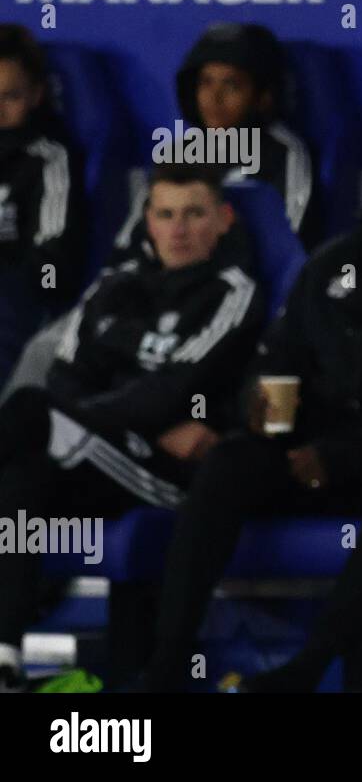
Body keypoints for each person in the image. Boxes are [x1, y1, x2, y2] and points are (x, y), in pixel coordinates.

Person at [139, 131, 362, 693]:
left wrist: (342, 456)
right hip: (310, 448)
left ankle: (306, 670)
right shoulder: (332, 263)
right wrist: (262, 409)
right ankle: (165, 667)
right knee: (229, 465)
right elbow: (276, 359)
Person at [0, 163, 263, 692]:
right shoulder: (113, 287)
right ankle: (5, 656)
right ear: (147, 221)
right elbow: (65, 375)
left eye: (194, 214)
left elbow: (174, 386)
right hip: (94, 458)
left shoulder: (232, 291)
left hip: (162, 476)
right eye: (165, 214)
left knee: (30, 413)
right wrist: (89, 419)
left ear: (224, 220)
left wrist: (78, 419)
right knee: (21, 477)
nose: (179, 229)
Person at [116, 23, 314, 252]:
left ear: (264, 97)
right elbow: (131, 239)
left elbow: (287, 247)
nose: (214, 97)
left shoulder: (283, 153)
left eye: (231, 85)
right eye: (205, 82)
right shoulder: (181, 151)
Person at [0, 24, 84, 388]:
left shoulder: (49, 158)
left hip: (18, 297)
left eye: (11, 96)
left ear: (36, 95)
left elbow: (53, 259)